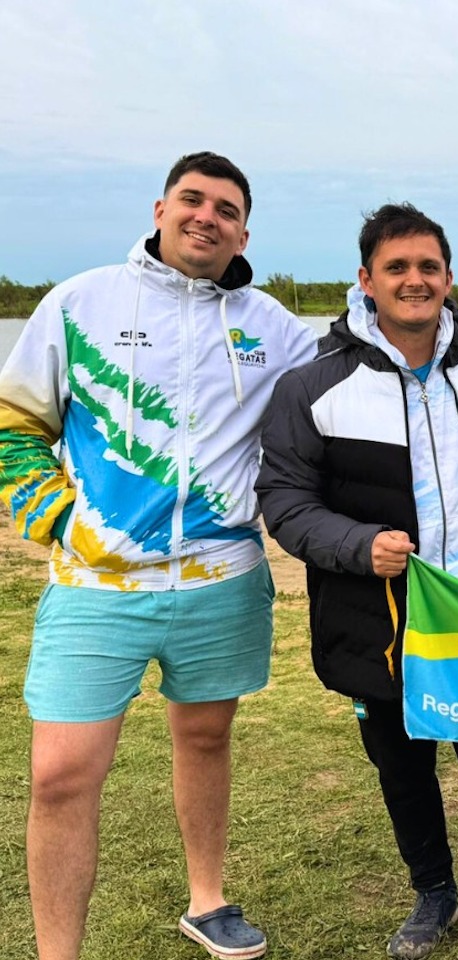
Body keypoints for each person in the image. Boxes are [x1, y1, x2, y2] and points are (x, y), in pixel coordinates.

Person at [0, 152, 322, 960]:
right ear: (159, 208)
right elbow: (14, 424)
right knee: (61, 775)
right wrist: (60, 519)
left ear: (245, 230)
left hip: (224, 580)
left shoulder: (273, 326)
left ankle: (207, 900)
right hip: (94, 585)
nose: (206, 217)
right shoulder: (80, 302)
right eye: (193, 200)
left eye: (226, 208)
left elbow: (347, 391)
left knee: (207, 738)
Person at [255, 203, 458, 960]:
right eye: (397, 267)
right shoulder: (312, 388)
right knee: (402, 767)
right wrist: (358, 546)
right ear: (365, 280)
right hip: (378, 622)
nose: (415, 280)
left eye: (429, 267)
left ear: (450, 278)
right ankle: (435, 894)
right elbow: (285, 500)